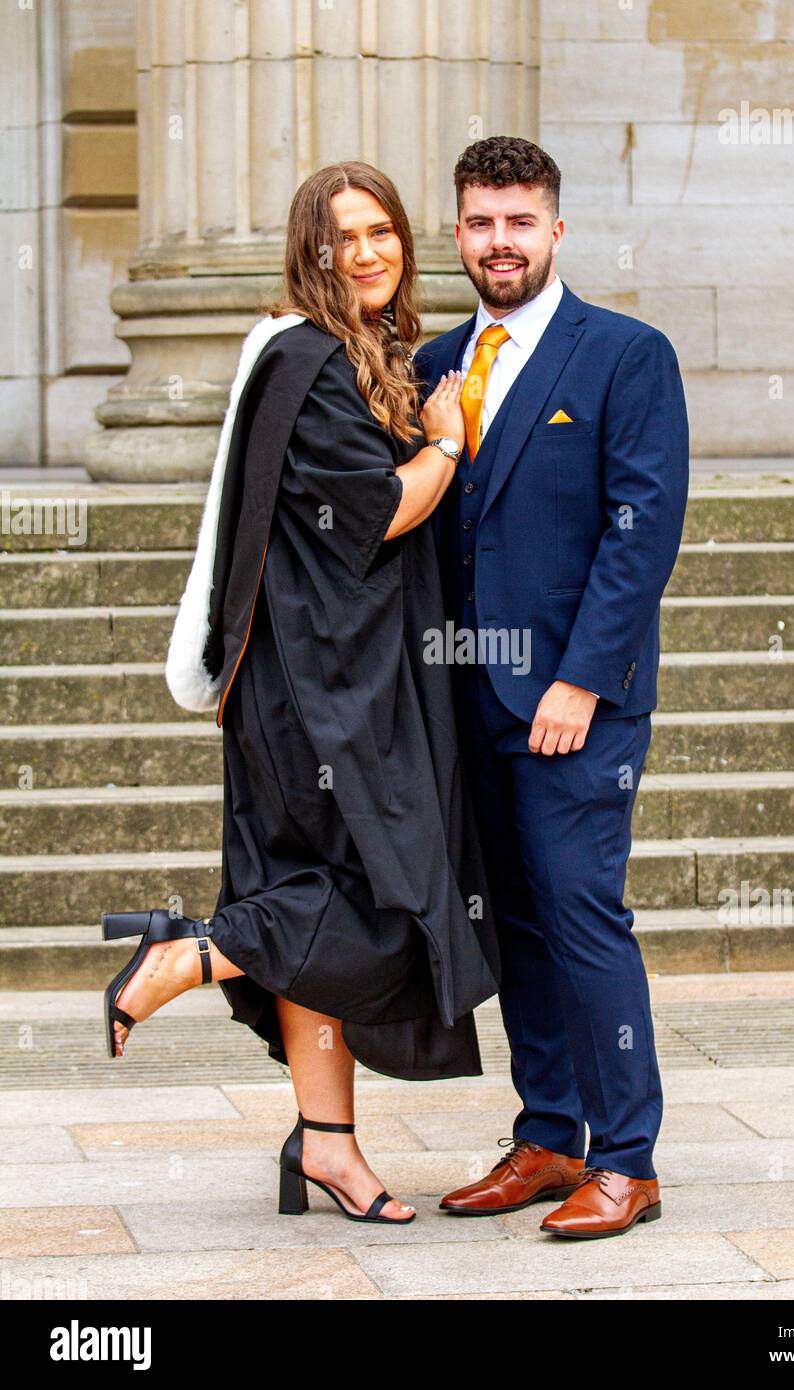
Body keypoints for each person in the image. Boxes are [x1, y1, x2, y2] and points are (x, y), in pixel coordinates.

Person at [100, 161, 500, 1227]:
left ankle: (327, 1144)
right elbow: (378, 512)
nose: (368, 252)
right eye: (343, 238)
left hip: (331, 681)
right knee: (390, 894)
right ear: (309, 254)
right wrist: (449, 441)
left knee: (324, 886)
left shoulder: (344, 355)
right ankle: (193, 949)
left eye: (383, 232)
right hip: (322, 696)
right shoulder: (312, 362)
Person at [413, 135, 690, 1239]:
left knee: (583, 918)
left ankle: (629, 1158)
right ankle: (548, 1136)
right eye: (481, 222)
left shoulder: (625, 355)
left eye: (519, 222)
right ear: (460, 233)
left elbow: (641, 536)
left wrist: (580, 681)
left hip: (578, 706)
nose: (500, 242)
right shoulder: (435, 362)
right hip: (466, 702)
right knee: (513, 922)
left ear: (556, 230)